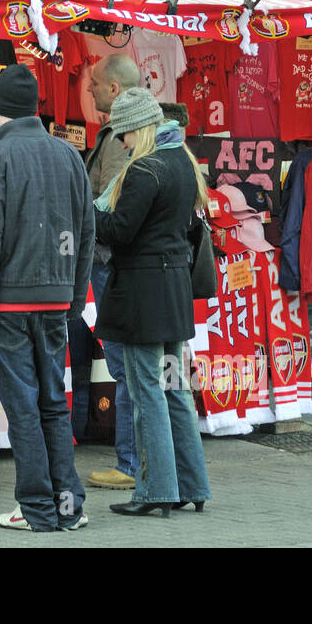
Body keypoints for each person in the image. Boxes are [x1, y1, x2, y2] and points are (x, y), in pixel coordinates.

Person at [0, 63, 94, 532]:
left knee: (23, 406)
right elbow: (86, 232)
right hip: (56, 301)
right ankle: (67, 507)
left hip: (10, 305)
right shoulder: (68, 155)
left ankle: (39, 509)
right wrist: (75, 298)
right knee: (53, 403)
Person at [93, 87, 211, 518]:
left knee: (148, 393)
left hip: (143, 298)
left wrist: (86, 213)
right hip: (174, 294)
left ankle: (156, 490)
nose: (120, 143)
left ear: (137, 130)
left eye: (123, 134)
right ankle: (192, 485)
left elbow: (120, 230)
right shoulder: (182, 161)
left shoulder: (146, 170)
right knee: (175, 389)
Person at [83, 54, 143, 491]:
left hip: (113, 265)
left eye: (95, 84)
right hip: (119, 265)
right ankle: (135, 463)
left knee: (125, 366)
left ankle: (129, 466)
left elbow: (113, 202)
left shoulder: (121, 139)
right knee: (133, 368)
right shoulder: (119, 135)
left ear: (115, 90)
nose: (89, 90)